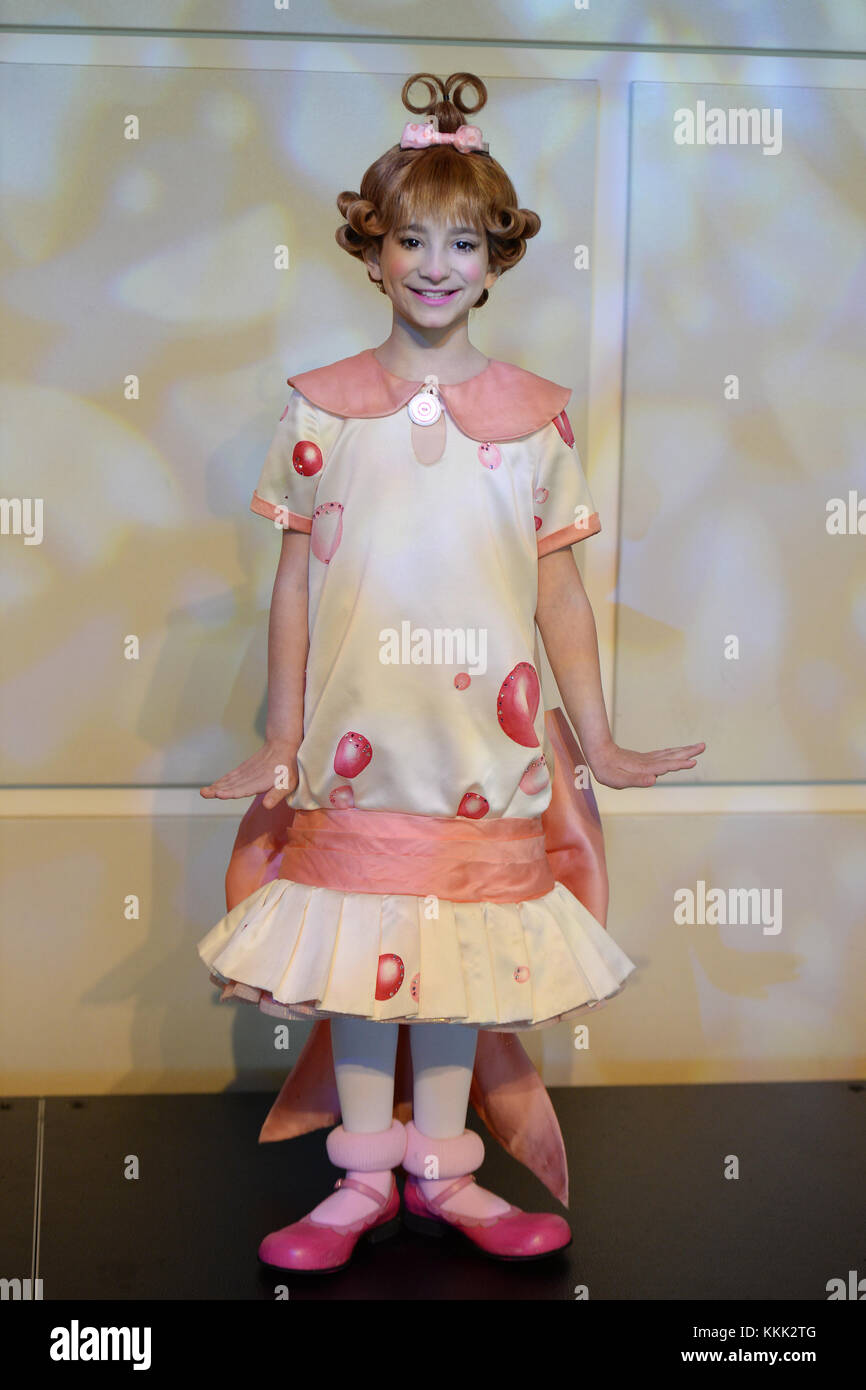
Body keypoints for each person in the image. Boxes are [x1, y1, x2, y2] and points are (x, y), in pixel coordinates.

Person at [198, 71, 706, 1273]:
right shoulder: (318, 411)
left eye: (461, 240)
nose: (435, 262)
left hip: (488, 753)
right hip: (355, 751)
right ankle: (358, 1178)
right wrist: (279, 739)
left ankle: (445, 1172)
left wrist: (604, 735)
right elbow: (292, 586)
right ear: (371, 252)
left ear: (495, 259)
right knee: (366, 962)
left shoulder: (533, 422)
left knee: (456, 962)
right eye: (410, 238)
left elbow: (560, 596)